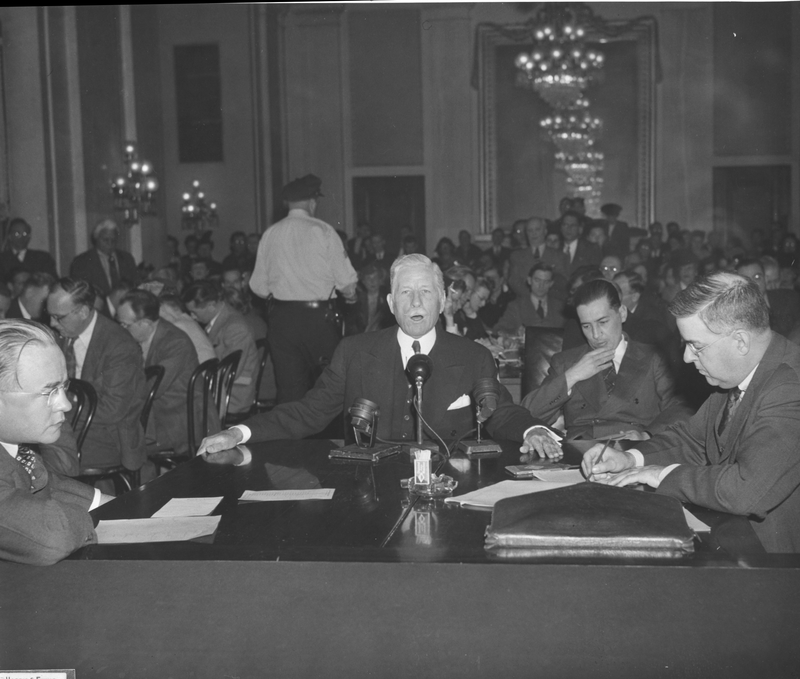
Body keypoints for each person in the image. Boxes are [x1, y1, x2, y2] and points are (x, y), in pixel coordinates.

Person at [198, 255, 559, 458]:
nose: (416, 303)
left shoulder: (473, 355)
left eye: (425, 292)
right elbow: (309, 412)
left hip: (448, 484)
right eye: (405, 293)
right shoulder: (355, 352)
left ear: (443, 300)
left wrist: (534, 429)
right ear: (390, 303)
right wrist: (238, 432)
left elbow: (501, 412)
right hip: (369, 485)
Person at [581, 272, 800, 553]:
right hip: (738, 538)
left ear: (741, 342)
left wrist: (662, 474)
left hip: (778, 563)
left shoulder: (791, 386)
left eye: (696, 345)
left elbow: (745, 490)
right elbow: (693, 440)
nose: (686, 357)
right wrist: (629, 458)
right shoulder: (738, 374)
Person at [0, 319, 112, 565]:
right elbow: (53, 536)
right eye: (49, 392)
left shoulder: (18, 450)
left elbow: (42, 483)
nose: (66, 404)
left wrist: (115, 507)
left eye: (63, 388)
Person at [522, 279, 690, 441]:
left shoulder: (654, 358)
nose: (595, 335)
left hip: (634, 449)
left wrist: (648, 435)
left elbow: (680, 409)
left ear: (622, 314)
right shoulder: (566, 362)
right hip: (580, 452)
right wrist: (573, 376)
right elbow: (527, 414)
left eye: (602, 322)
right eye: (586, 326)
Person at [250, 174, 357, 404]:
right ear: (312, 201)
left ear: (287, 204)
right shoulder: (324, 231)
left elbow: (258, 287)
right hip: (319, 320)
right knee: (329, 390)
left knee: (290, 393)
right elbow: (347, 284)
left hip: (282, 321)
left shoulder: (270, 234)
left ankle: (294, 441)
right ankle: (331, 440)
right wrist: (350, 297)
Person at [47, 278, 147, 472]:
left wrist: (62, 404)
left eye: (58, 317)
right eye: (49, 315)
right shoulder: (61, 334)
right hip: (74, 425)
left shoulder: (119, 345)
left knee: (34, 458)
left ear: (83, 312)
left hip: (107, 437)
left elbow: (112, 410)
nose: (52, 323)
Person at [116, 290, 204, 457]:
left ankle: (143, 482)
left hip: (178, 421)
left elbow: (150, 389)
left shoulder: (175, 343)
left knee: (118, 447)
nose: (121, 330)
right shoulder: (144, 335)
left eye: (125, 325)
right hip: (158, 414)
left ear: (146, 323)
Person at [183, 281, 258, 416]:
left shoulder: (235, 327)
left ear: (211, 306)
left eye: (194, 312)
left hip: (234, 395)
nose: (192, 317)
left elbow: (230, 371)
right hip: (222, 388)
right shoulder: (220, 318)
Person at [69, 219, 138, 305]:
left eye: (113, 240)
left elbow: (135, 285)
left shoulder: (127, 258)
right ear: (96, 238)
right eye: (105, 240)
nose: (110, 244)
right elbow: (80, 293)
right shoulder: (82, 261)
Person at [506, 217, 569, 299]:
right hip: (525, 302)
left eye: (537, 230)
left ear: (545, 231)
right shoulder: (517, 256)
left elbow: (564, 281)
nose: (534, 233)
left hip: (552, 302)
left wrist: (544, 297)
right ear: (526, 233)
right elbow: (514, 281)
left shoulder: (559, 256)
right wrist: (532, 297)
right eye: (530, 230)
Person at [495, 262, 565, 334]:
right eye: (537, 280)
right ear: (529, 280)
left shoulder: (560, 307)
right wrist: (516, 333)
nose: (541, 285)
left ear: (551, 284)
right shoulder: (516, 306)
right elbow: (499, 330)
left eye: (546, 282)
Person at [561, 210, 601, 277]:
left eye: (573, 225)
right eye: (565, 225)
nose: (568, 229)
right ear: (561, 227)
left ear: (579, 228)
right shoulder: (555, 247)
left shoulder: (591, 249)